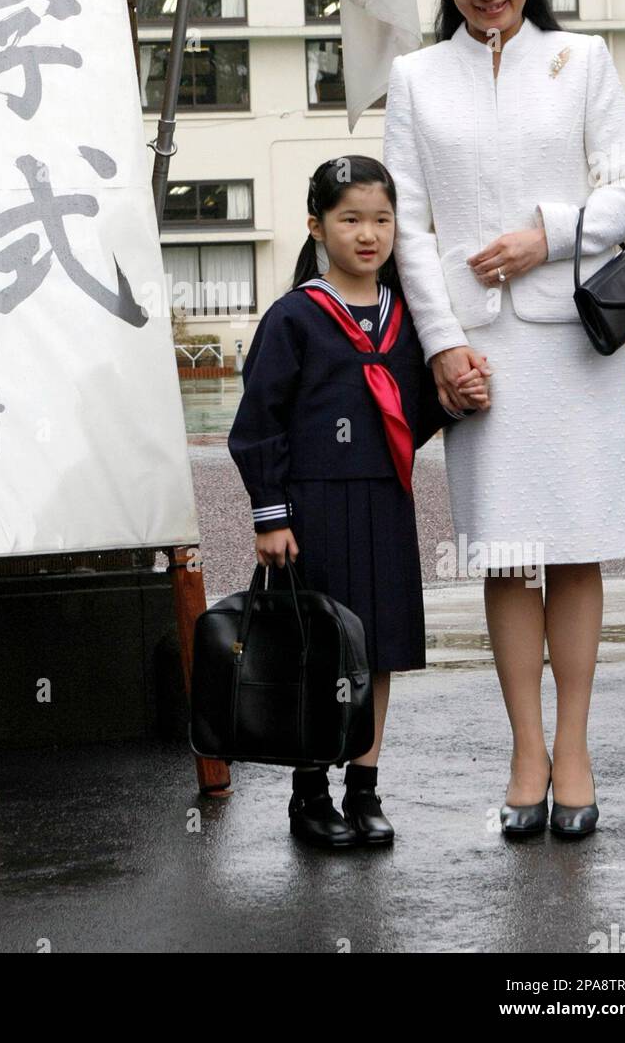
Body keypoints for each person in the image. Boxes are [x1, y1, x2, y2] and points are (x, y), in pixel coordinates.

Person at [383, 0, 625, 839]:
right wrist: (441, 344)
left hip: (569, 341)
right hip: (479, 351)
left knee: (574, 548)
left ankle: (573, 748)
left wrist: (548, 234)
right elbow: (409, 228)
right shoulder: (417, 77)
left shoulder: (579, 60)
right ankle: (524, 753)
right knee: (504, 552)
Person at [228, 155, 492, 849]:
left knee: (376, 651)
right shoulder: (295, 318)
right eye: (350, 219)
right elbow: (258, 424)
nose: (367, 234)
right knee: (319, 653)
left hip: (383, 503)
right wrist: (271, 513)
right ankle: (310, 793)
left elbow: (405, 417)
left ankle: (365, 788)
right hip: (313, 510)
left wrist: (453, 404)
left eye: (381, 219)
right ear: (316, 226)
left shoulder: (407, 320)